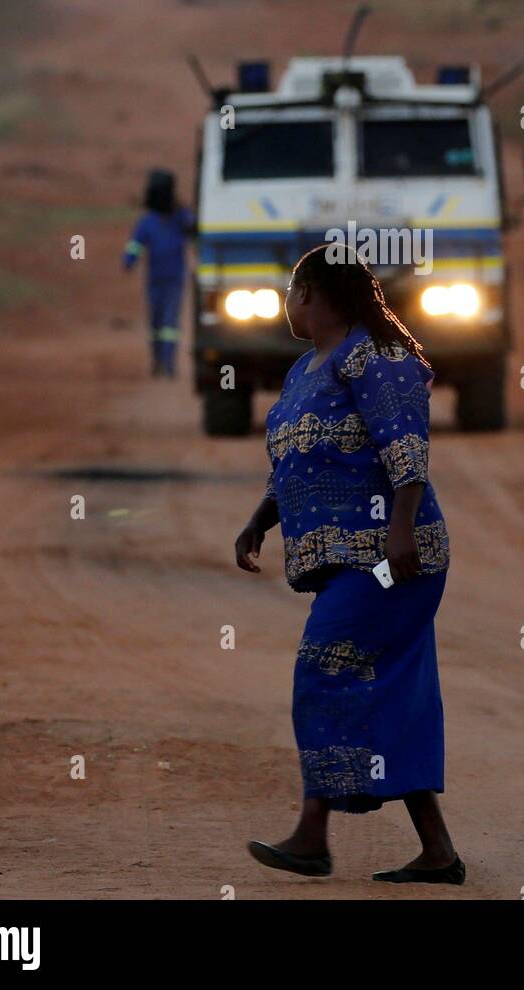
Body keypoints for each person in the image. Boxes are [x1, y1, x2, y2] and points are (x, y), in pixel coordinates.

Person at [235, 243, 464, 884]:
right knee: (393, 691)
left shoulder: (377, 356)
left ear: (308, 292)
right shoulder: (307, 368)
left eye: (289, 289)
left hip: (390, 562)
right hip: (347, 561)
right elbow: (297, 462)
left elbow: (407, 449)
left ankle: (312, 834)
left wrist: (399, 534)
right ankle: (439, 853)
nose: (285, 301)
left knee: (325, 669)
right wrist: (261, 517)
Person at [122, 170, 194, 377]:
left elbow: (193, 230)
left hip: (174, 280)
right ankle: (157, 361)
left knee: (170, 324)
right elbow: (136, 244)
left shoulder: (180, 216)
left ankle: (169, 364)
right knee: (156, 323)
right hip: (154, 280)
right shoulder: (148, 221)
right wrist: (129, 260)